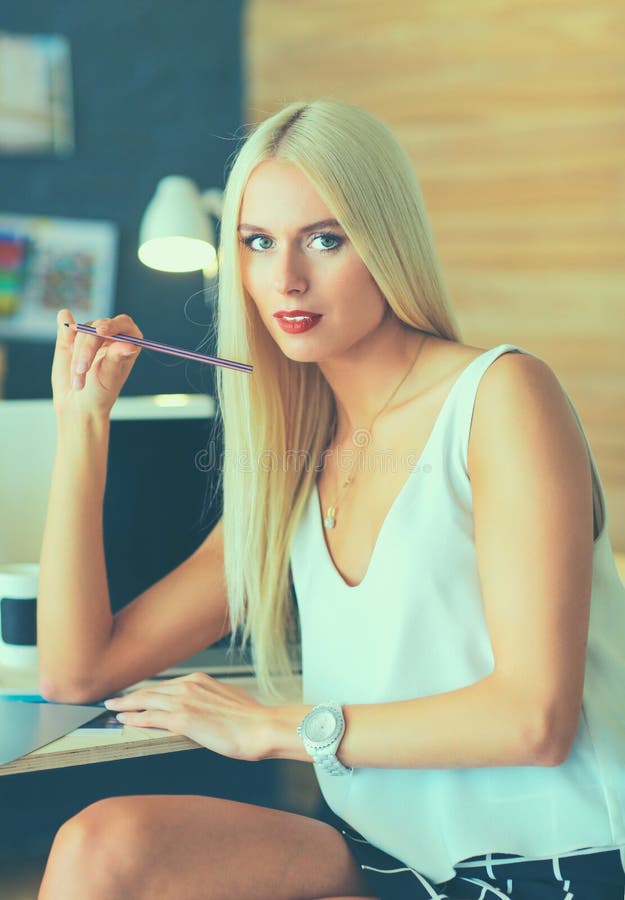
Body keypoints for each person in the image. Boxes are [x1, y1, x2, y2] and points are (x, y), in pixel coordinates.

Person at [36, 98, 625, 900]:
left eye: (325, 238)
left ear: (384, 241)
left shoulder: (500, 397)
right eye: (257, 242)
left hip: (554, 864)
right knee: (102, 846)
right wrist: (81, 428)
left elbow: (535, 719)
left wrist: (275, 725)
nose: (286, 279)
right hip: (387, 853)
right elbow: (79, 672)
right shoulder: (292, 461)